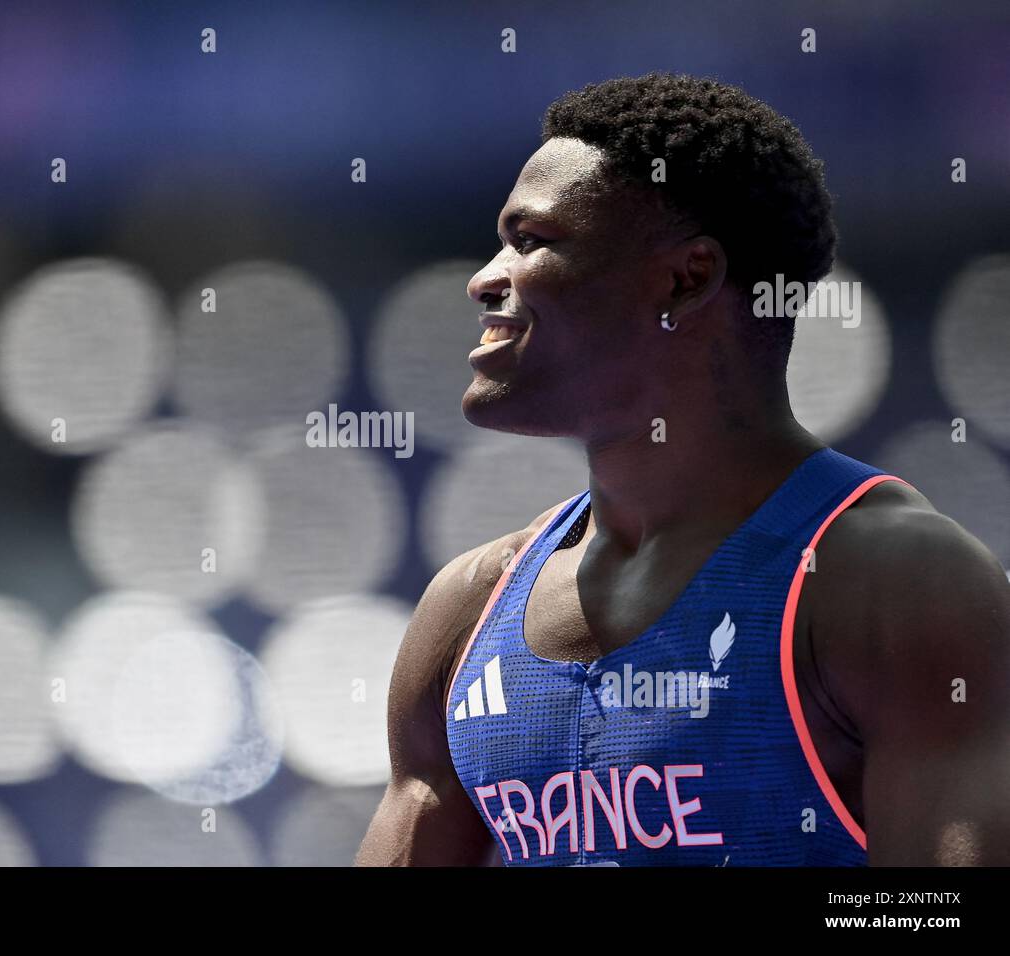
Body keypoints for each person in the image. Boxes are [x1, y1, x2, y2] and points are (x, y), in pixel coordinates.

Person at [356, 73, 1010, 866]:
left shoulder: (895, 580)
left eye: (531, 241)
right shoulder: (463, 614)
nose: (484, 277)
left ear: (686, 279)